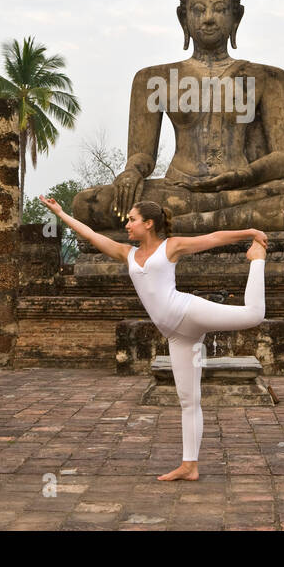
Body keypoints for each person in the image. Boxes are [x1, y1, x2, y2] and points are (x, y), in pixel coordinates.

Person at [39, 194, 267, 481]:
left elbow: (213, 237)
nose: (127, 224)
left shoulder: (170, 247)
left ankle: (257, 259)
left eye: (132, 219)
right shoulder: (127, 253)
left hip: (187, 312)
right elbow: (91, 234)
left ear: (148, 223)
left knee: (254, 315)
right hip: (175, 335)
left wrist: (250, 233)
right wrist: (60, 212)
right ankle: (189, 466)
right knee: (188, 400)